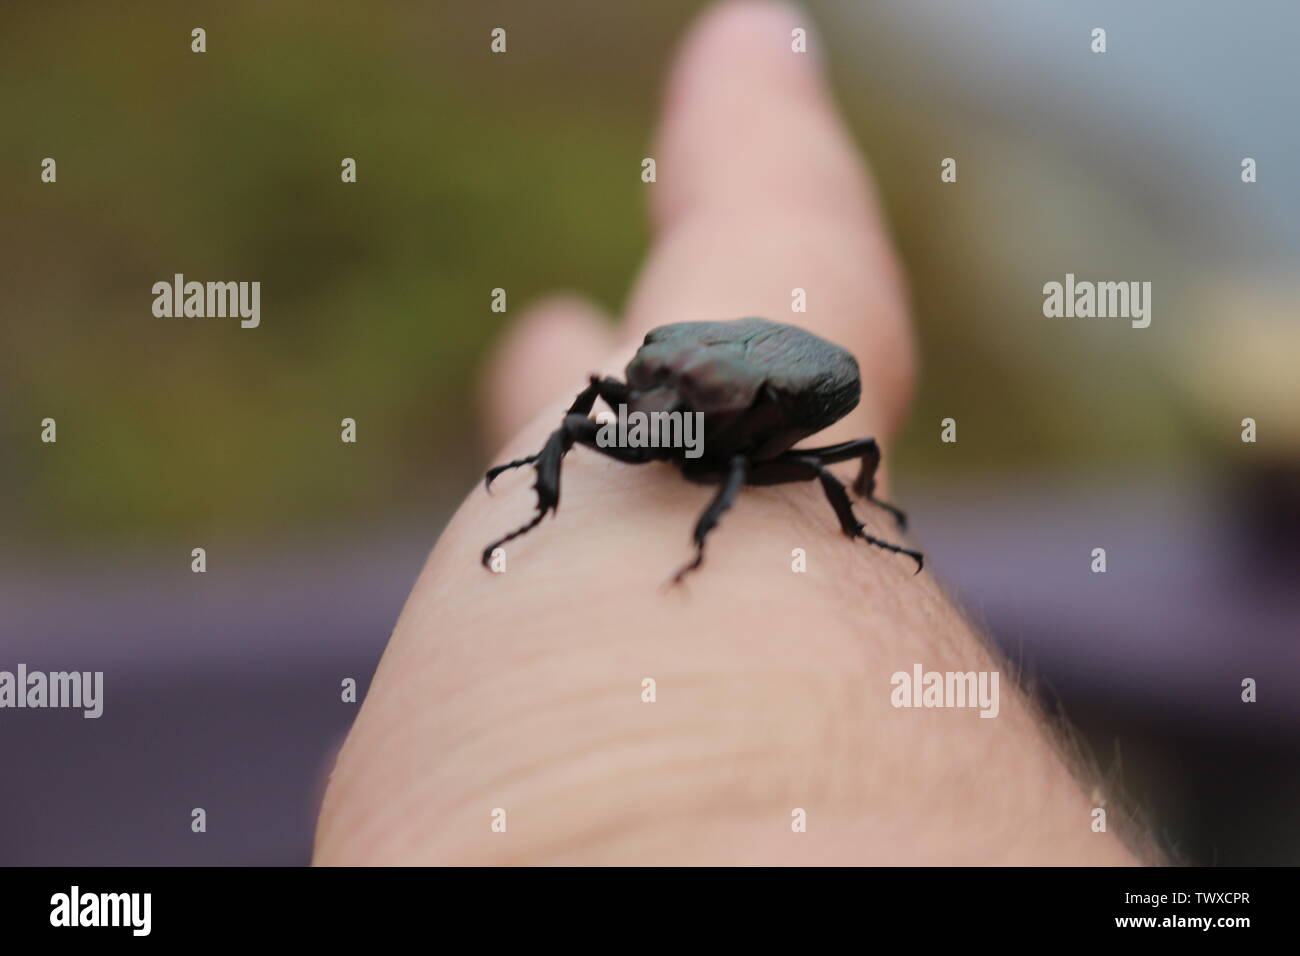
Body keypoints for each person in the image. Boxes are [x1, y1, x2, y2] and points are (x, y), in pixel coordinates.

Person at [314, 0, 1145, 865]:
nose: (634, 438)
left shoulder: (731, 443)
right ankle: (558, 503)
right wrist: (547, 476)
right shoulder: (637, 399)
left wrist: (729, 538)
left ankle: (855, 523)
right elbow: (597, 407)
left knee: (827, 469)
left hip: (772, 399)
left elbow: (767, 471)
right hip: (703, 368)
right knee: (578, 408)